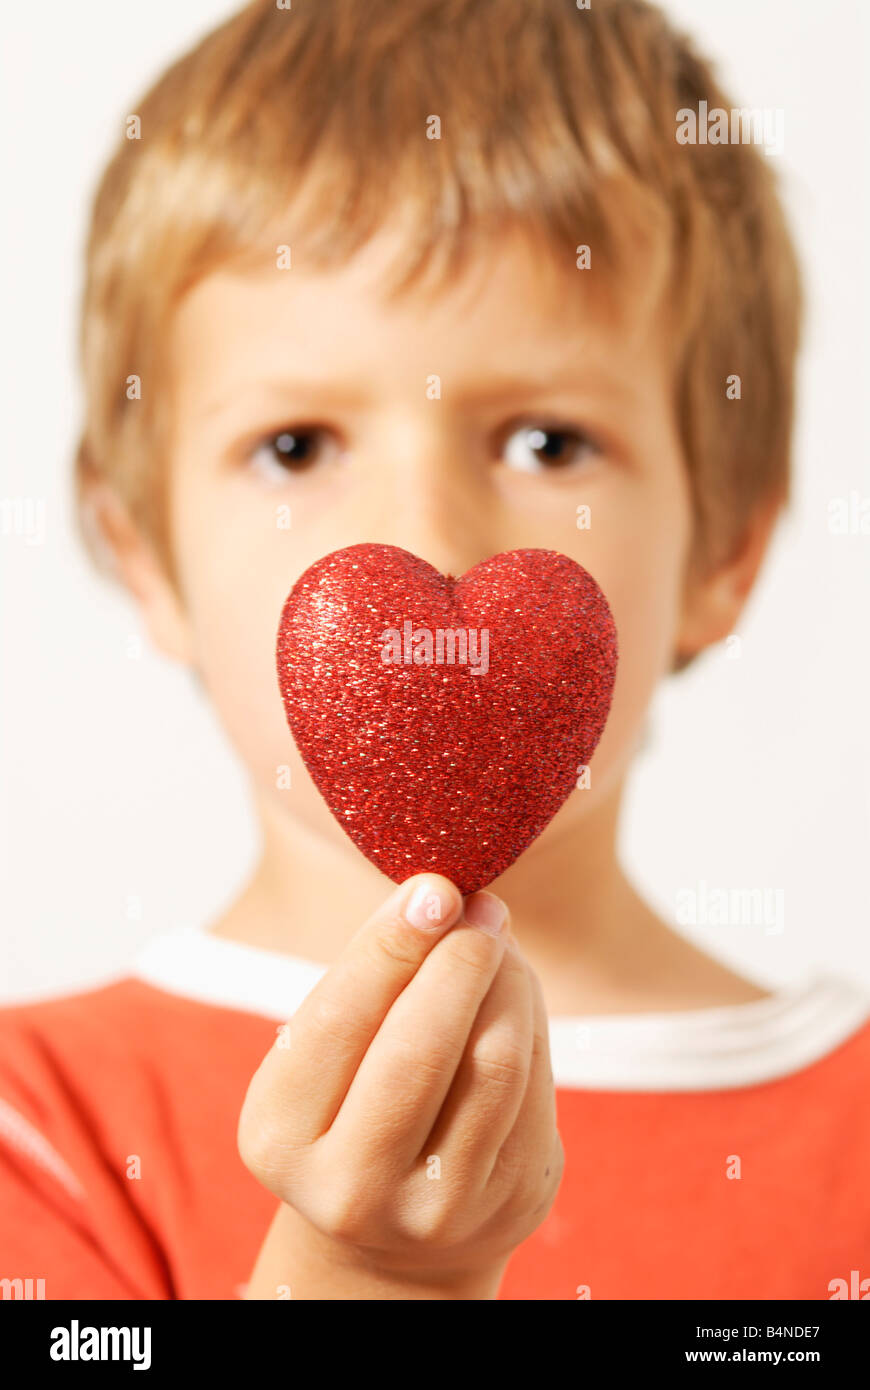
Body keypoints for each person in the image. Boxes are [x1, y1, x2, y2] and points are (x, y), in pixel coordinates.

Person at [2, 0, 867, 1300]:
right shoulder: (42, 1128)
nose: (422, 537)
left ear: (723, 552)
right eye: (294, 445)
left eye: (544, 442)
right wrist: (359, 1274)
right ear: (146, 560)